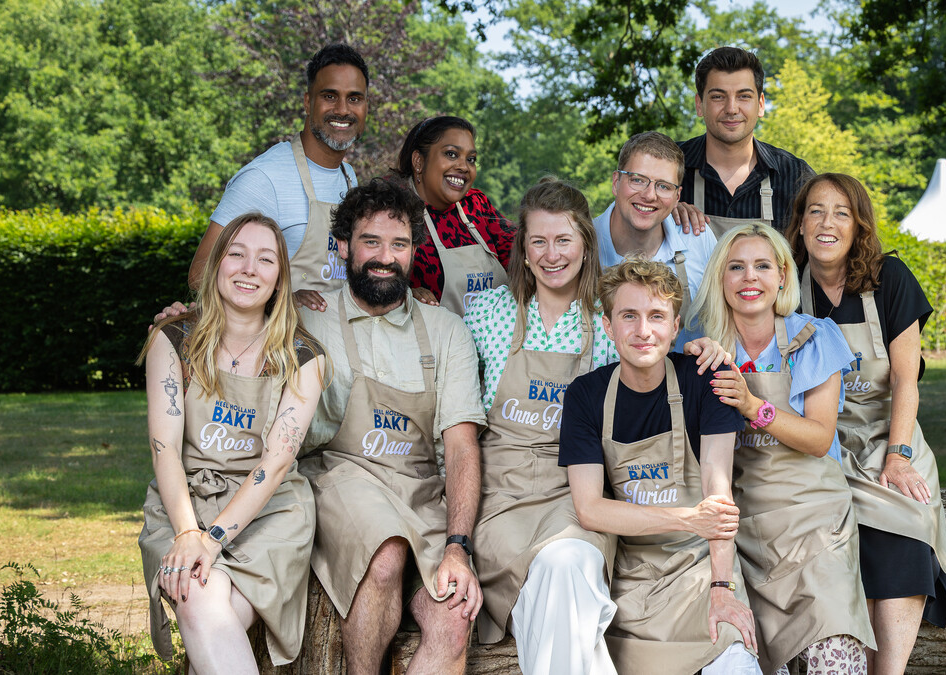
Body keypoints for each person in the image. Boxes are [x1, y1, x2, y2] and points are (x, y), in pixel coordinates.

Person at [296, 178, 485, 675]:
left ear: (413, 251)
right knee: (385, 554)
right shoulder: (307, 319)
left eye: (398, 244)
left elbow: (462, 447)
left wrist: (457, 547)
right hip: (342, 477)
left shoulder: (445, 330)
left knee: (454, 618)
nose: (385, 256)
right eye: (371, 242)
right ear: (342, 247)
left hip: (422, 494)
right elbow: (229, 324)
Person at [138, 213, 326, 672]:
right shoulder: (174, 340)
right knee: (201, 601)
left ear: (280, 278)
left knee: (199, 606)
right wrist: (186, 534)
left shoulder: (302, 357)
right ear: (217, 264)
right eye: (236, 254)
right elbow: (164, 452)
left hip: (268, 510)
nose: (248, 269)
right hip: (184, 501)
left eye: (265, 260)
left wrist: (213, 539)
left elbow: (277, 464)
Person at [560, 256, 760, 675]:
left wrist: (722, 590)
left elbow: (717, 497)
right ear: (609, 325)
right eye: (628, 316)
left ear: (676, 325)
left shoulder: (707, 380)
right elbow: (590, 509)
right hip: (630, 582)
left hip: (701, 568)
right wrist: (689, 518)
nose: (643, 330)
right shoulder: (586, 396)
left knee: (735, 663)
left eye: (656, 316)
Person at [692, 223, 876, 674]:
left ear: (781, 277)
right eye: (735, 267)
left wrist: (754, 405)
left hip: (812, 520)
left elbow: (818, 439)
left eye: (762, 266)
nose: (749, 278)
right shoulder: (704, 348)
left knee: (834, 651)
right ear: (720, 279)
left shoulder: (814, 336)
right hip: (740, 522)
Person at [787, 173, 946, 675]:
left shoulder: (890, 279)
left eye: (841, 212)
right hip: (821, 435)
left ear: (859, 224)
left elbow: (906, 380)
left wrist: (898, 456)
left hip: (887, 429)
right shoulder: (787, 285)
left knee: (904, 519)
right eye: (815, 211)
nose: (827, 223)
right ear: (798, 224)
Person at [463, 177, 619, 674]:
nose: (552, 254)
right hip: (501, 501)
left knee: (565, 563)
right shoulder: (486, 313)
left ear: (585, 246)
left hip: (579, 498)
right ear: (523, 251)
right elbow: (457, 418)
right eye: (539, 241)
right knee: (556, 592)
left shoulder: (612, 321)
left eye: (564, 240)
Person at [189, 43, 368, 305]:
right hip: (277, 342)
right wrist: (281, 300)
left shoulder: (349, 176)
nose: (342, 109)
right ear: (308, 102)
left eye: (354, 98)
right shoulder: (263, 177)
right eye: (329, 96)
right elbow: (200, 273)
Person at [594, 131, 718, 351]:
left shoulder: (697, 238)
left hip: (683, 382)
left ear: (677, 196)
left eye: (663, 186)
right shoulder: (582, 242)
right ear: (616, 182)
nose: (649, 195)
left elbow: (726, 318)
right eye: (638, 180)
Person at [677, 47, 814, 238]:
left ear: (760, 104)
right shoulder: (668, 167)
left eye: (744, 96)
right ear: (699, 105)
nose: (731, 108)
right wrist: (662, 212)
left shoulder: (796, 176)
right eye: (718, 96)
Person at [393, 116, 514, 316]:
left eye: (471, 159)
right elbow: (375, 277)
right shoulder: (393, 211)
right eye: (451, 154)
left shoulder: (476, 204)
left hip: (494, 343)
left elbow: (520, 253)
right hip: (432, 344)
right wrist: (405, 295)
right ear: (419, 161)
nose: (464, 166)